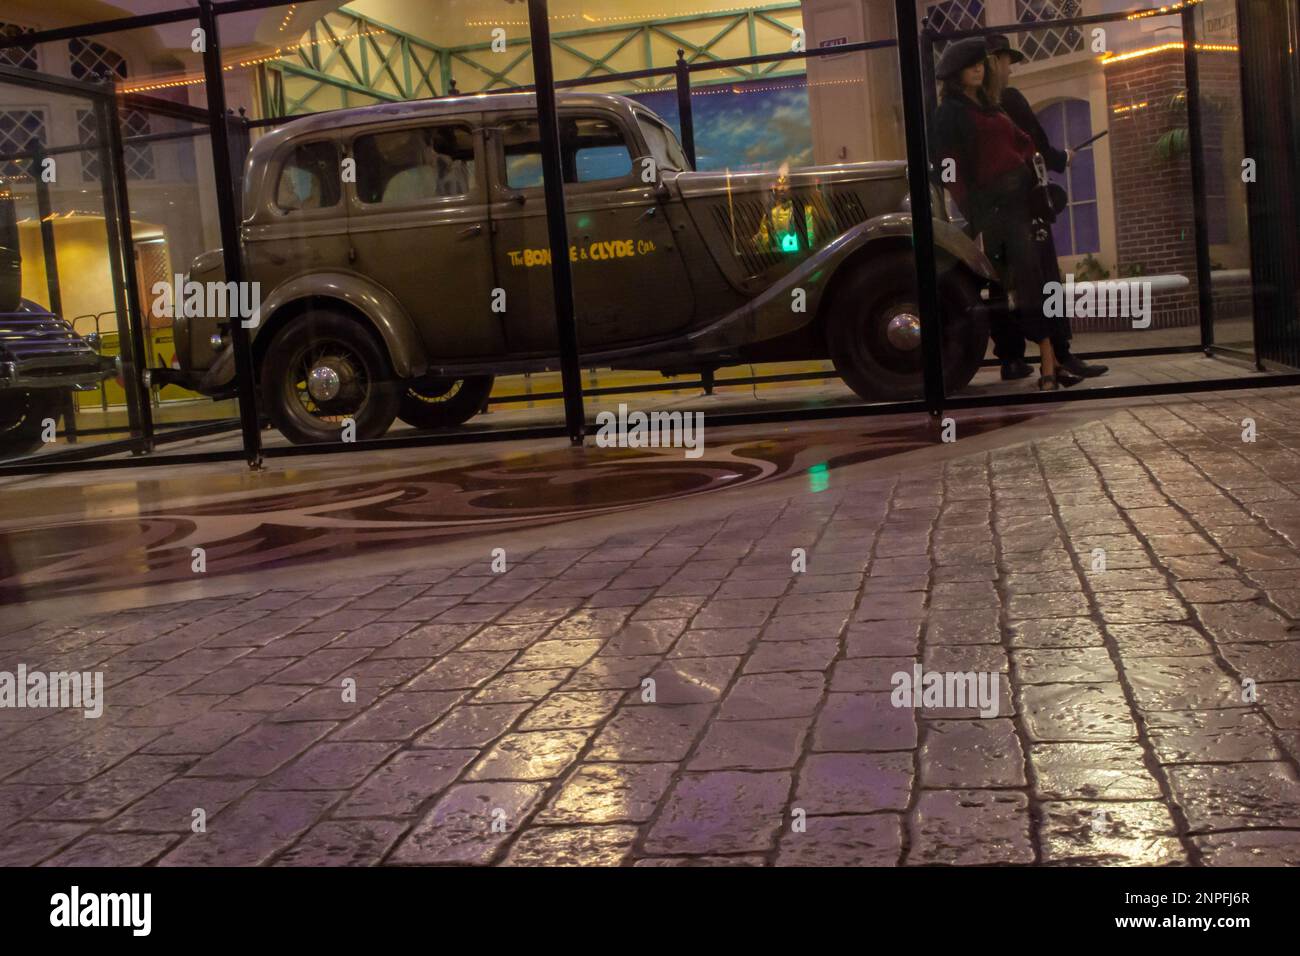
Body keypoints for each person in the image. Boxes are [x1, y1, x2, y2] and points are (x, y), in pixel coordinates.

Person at [931, 37, 1076, 390]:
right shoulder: (950, 112)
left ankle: (1051, 362)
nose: (979, 69)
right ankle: (1047, 363)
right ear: (955, 74)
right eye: (971, 65)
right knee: (1026, 283)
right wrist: (974, 208)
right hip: (996, 209)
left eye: (982, 63)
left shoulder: (989, 105)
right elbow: (947, 168)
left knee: (1038, 279)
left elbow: (1024, 142)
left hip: (1022, 202)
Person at [984, 33, 1108, 380]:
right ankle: (1060, 355)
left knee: (1002, 285)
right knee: (1044, 281)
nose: (1011, 70)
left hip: (991, 216)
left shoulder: (973, 107)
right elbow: (1036, 142)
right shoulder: (1009, 99)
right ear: (997, 61)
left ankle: (1010, 358)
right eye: (1008, 62)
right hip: (1026, 211)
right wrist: (1061, 158)